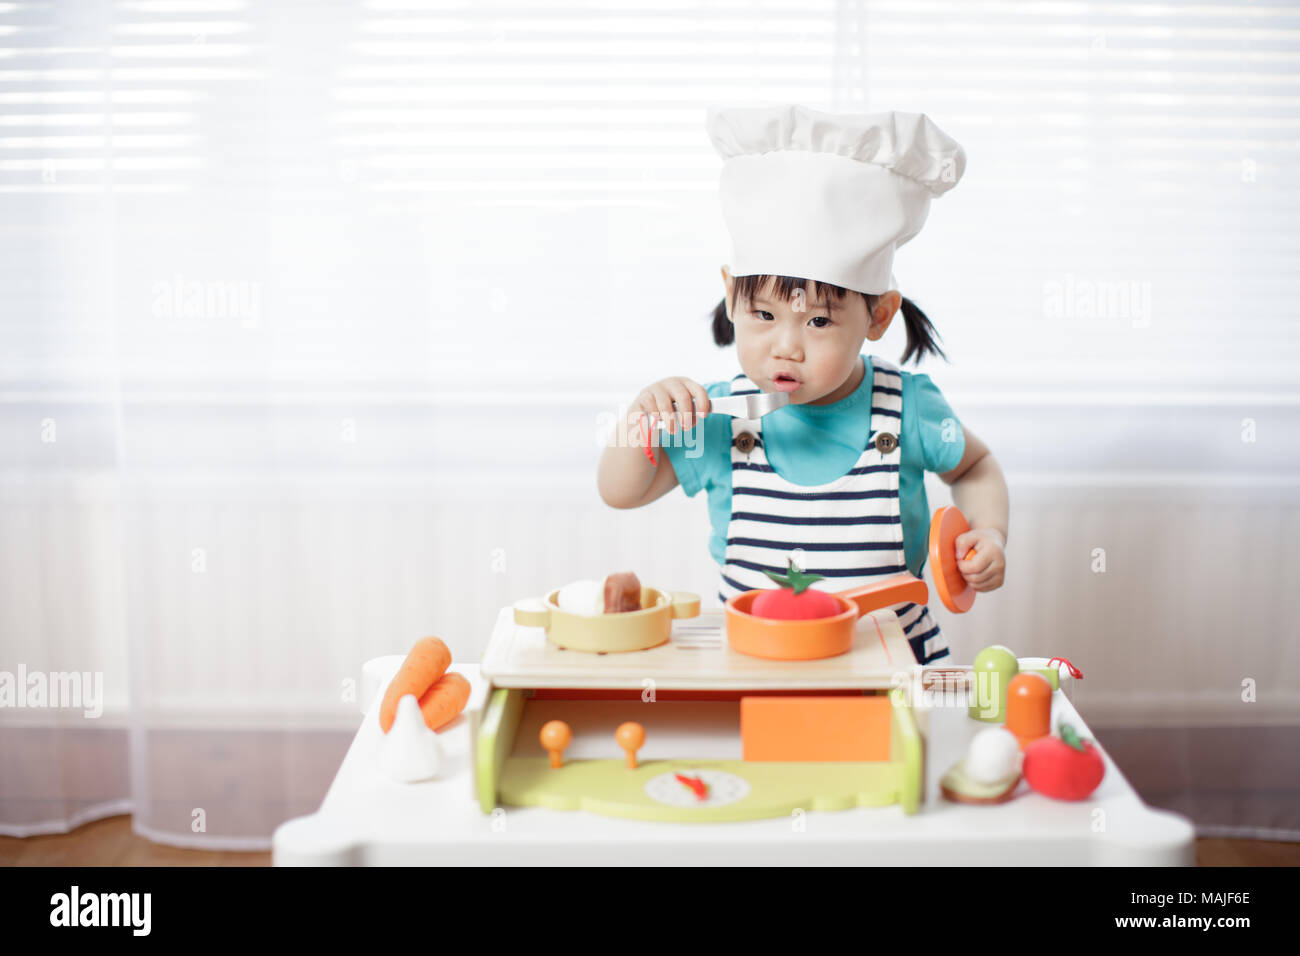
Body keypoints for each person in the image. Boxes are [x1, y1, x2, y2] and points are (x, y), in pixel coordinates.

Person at [597, 104, 1008, 664]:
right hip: (756, 673)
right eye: (763, 315)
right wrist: (642, 416)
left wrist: (989, 533)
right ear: (730, 295)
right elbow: (620, 492)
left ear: (879, 316)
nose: (784, 346)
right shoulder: (719, 416)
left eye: (818, 321)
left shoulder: (907, 408)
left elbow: (975, 466)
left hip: (891, 677)